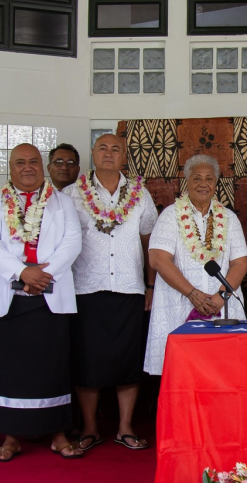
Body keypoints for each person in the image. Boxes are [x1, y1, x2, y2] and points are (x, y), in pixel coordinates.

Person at [0, 143, 83, 462]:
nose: (27, 167)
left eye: (33, 162)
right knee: (12, 370)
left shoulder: (63, 203)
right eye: (20, 162)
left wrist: (41, 276)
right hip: (10, 297)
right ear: (10, 168)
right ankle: (10, 438)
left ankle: (58, 434)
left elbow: (72, 243)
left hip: (51, 295)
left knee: (53, 367)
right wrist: (23, 272)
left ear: (43, 167)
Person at [63, 133, 158, 452]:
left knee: (128, 361)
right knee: (86, 361)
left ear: (124, 157)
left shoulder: (140, 194)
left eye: (115, 149)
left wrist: (149, 285)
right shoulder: (70, 194)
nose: (108, 153)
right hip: (85, 289)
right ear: (93, 153)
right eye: (102, 148)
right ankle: (90, 429)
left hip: (130, 288)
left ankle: (125, 427)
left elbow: (149, 242)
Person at [145, 155, 247, 374]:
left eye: (209, 179)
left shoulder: (228, 218)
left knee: (224, 373)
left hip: (222, 307)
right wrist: (192, 293)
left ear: (216, 183)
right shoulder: (170, 215)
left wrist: (222, 296)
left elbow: (239, 263)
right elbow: (158, 259)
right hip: (178, 306)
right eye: (197, 178)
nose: (203, 184)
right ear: (187, 181)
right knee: (182, 374)